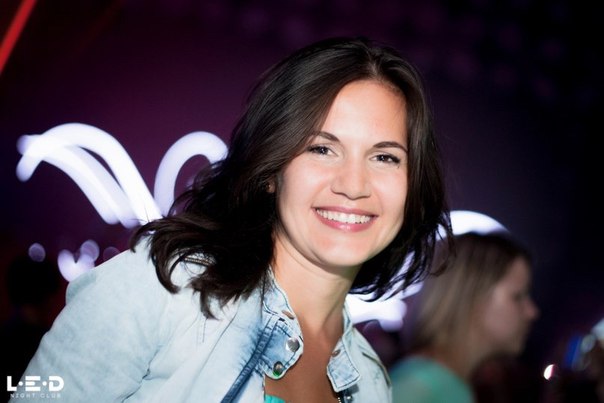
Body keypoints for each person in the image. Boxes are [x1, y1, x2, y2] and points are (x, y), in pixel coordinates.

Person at [13, 36, 452, 402]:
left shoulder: (372, 383)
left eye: (384, 157)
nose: (354, 185)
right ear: (271, 172)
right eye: (321, 148)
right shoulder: (165, 289)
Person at [390, 231, 540, 403]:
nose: (532, 312)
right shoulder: (422, 387)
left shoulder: (438, 382)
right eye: (518, 296)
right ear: (473, 297)